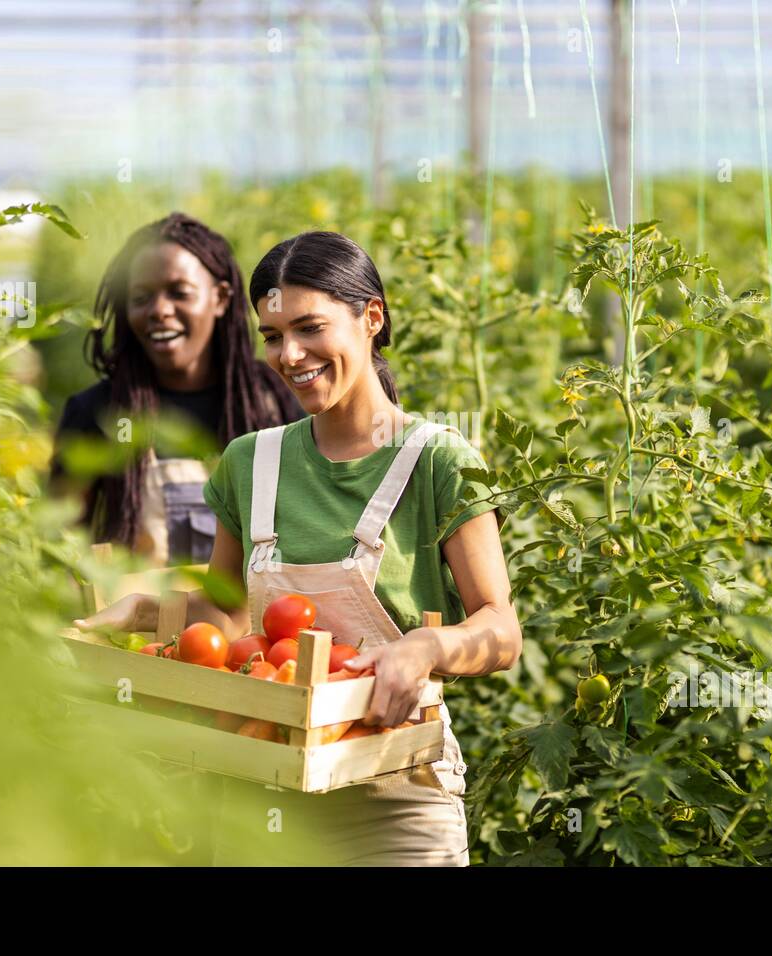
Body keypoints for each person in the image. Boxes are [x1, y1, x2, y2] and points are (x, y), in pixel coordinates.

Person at [76, 230, 522, 866]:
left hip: (393, 797)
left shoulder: (437, 461)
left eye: (310, 328)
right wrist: (151, 611)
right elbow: (229, 620)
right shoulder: (250, 462)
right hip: (261, 796)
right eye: (273, 336)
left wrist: (425, 646)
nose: (290, 355)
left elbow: (500, 630)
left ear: (372, 317)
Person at [51, 213, 302, 566]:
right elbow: (58, 548)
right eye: (141, 297)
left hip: (252, 622)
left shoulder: (274, 402)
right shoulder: (98, 413)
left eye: (179, 293)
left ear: (221, 298)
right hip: (130, 621)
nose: (159, 310)